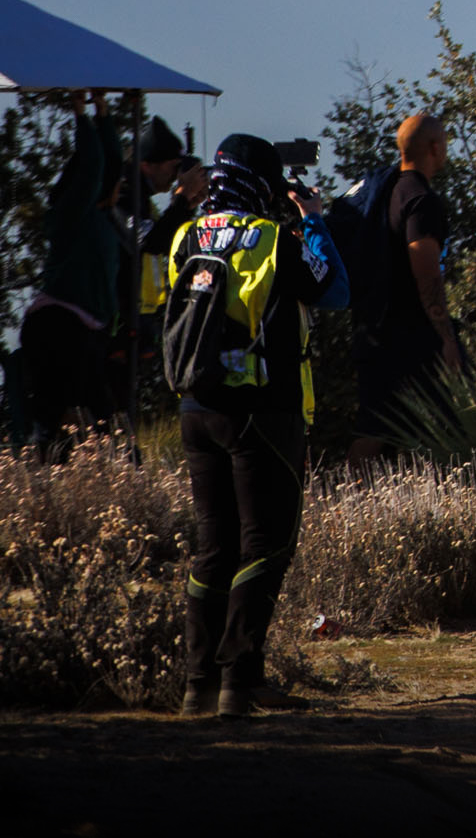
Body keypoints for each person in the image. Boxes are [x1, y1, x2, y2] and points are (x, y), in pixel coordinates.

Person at [164, 133, 348, 718]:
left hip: (195, 407)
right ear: (264, 183)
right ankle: (239, 682)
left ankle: (198, 686)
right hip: (263, 409)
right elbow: (334, 290)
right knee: (265, 543)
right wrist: (312, 219)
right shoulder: (272, 239)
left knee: (213, 546)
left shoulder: (184, 235)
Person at [349, 111, 469, 471]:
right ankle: (434, 497)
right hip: (411, 334)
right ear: (434, 147)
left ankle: (347, 504)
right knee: (438, 425)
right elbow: (427, 272)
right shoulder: (420, 199)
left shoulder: (382, 191)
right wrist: (445, 335)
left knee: (373, 424)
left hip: (371, 328)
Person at [15, 108, 131, 458]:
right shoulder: (72, 213)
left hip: (83, 333)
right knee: (67, 420)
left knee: (97, 420)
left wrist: (105, 112)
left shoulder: (100, 218)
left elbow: (109, 160)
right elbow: (94, 163)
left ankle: (100, 476)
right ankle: (47, 479)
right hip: (59, 332)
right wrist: (82, 113)